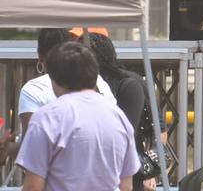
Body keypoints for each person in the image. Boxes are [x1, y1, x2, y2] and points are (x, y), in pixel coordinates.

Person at [15, 42, 140, 191]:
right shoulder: (119, 118)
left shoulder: (46, 118)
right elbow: (126, 186)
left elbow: (33, 187)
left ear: (54, 79)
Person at [89, 33, 163, 191]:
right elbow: (160, 130)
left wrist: (149, 172)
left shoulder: (129, 84)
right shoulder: (134, 82)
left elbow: (157, 130)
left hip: (127, 171)